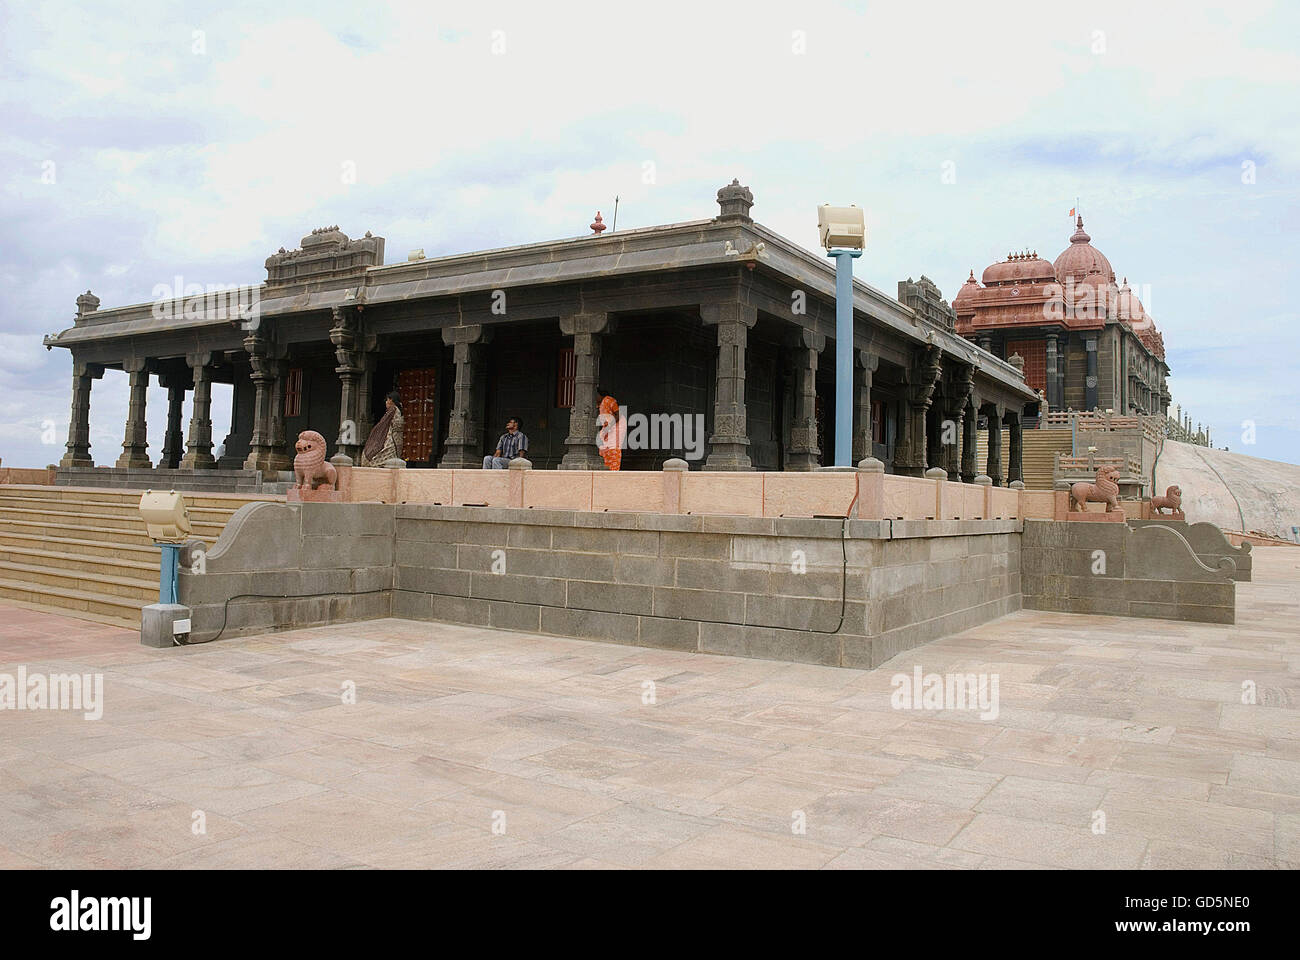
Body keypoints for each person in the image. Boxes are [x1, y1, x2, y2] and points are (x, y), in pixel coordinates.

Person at [360, 390, 404, 466]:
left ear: (392, 400)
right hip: (398, 440)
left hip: (392, 439)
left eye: (387, 400)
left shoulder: (393, 410)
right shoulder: (399, 410)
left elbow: (382, 424)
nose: (386, 402)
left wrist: (375, 433)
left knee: (378, 455)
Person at [596, 386, 622, 471]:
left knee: (613, 451)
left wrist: (609, 427)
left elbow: (617, 414)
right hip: (607, 431)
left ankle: (613, 470)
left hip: (613, 430)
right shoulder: (600, 404)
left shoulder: (608, 400)